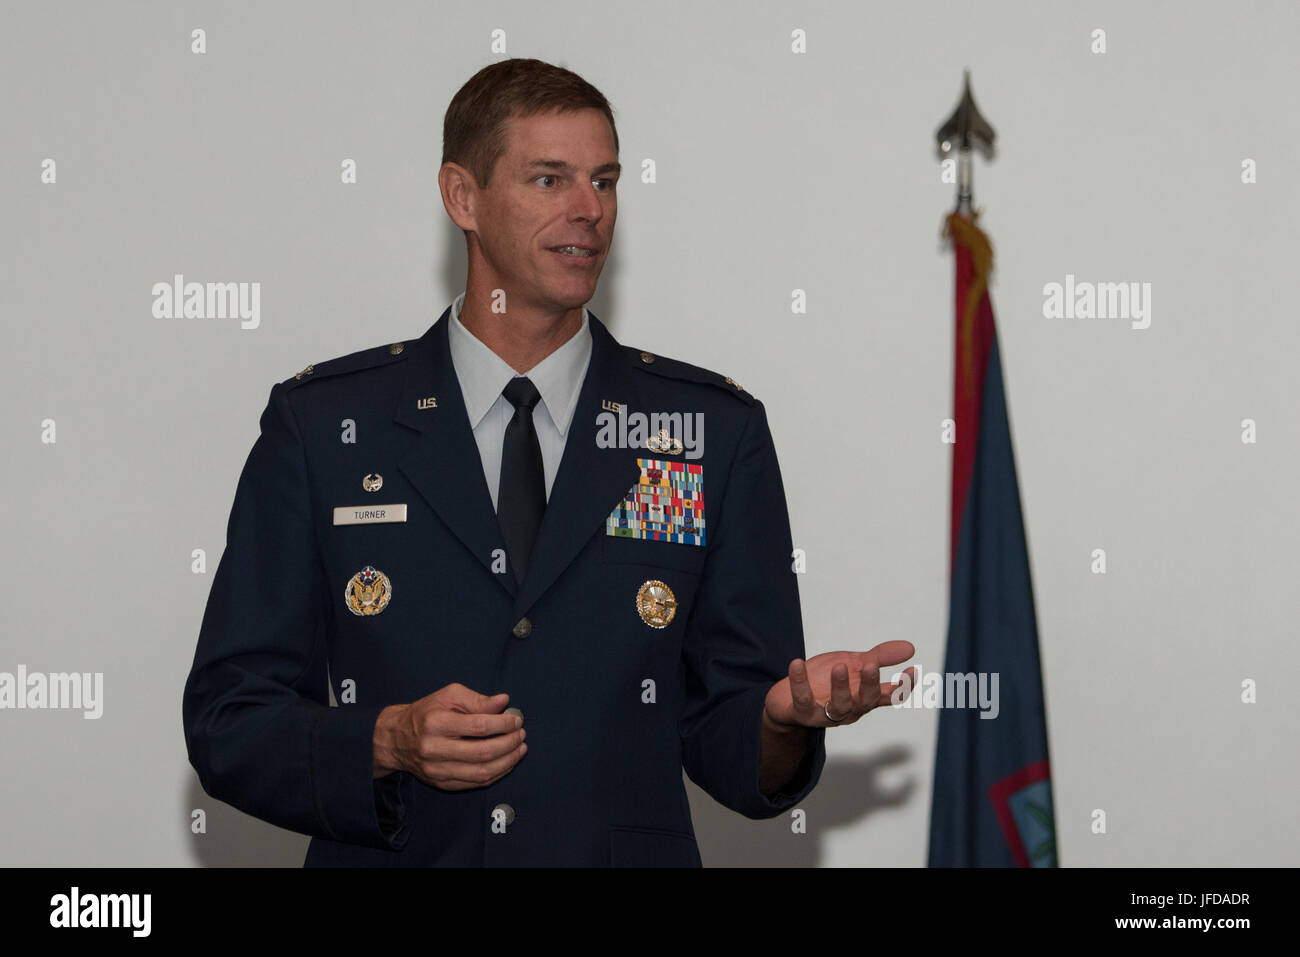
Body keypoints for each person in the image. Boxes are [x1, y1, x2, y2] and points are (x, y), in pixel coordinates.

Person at [182, 57, 916, 866]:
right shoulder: (325, 425)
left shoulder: (706, 430)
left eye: (604, 181)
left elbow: (733, 746)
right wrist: (385, 738)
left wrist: (777, 722)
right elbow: (229, 720)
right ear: (463, 196)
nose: (589, 210)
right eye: (548, 179)